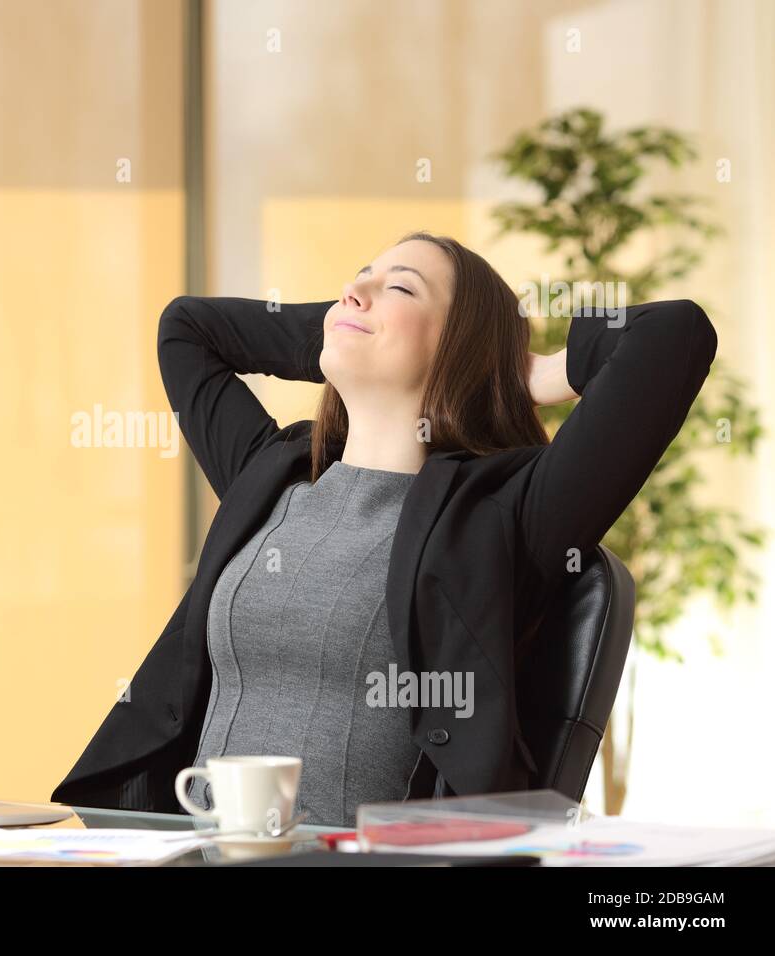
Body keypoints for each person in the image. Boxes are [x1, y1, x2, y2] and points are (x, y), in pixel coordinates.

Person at [50, 230, 717, 826]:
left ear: (458, 345)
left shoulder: (503, 517)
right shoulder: (271, 473)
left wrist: (523, 367)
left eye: (399, 285)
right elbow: (188, 327)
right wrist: (353, 319)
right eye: (358, 276)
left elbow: (676, 335)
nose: (355, 289)